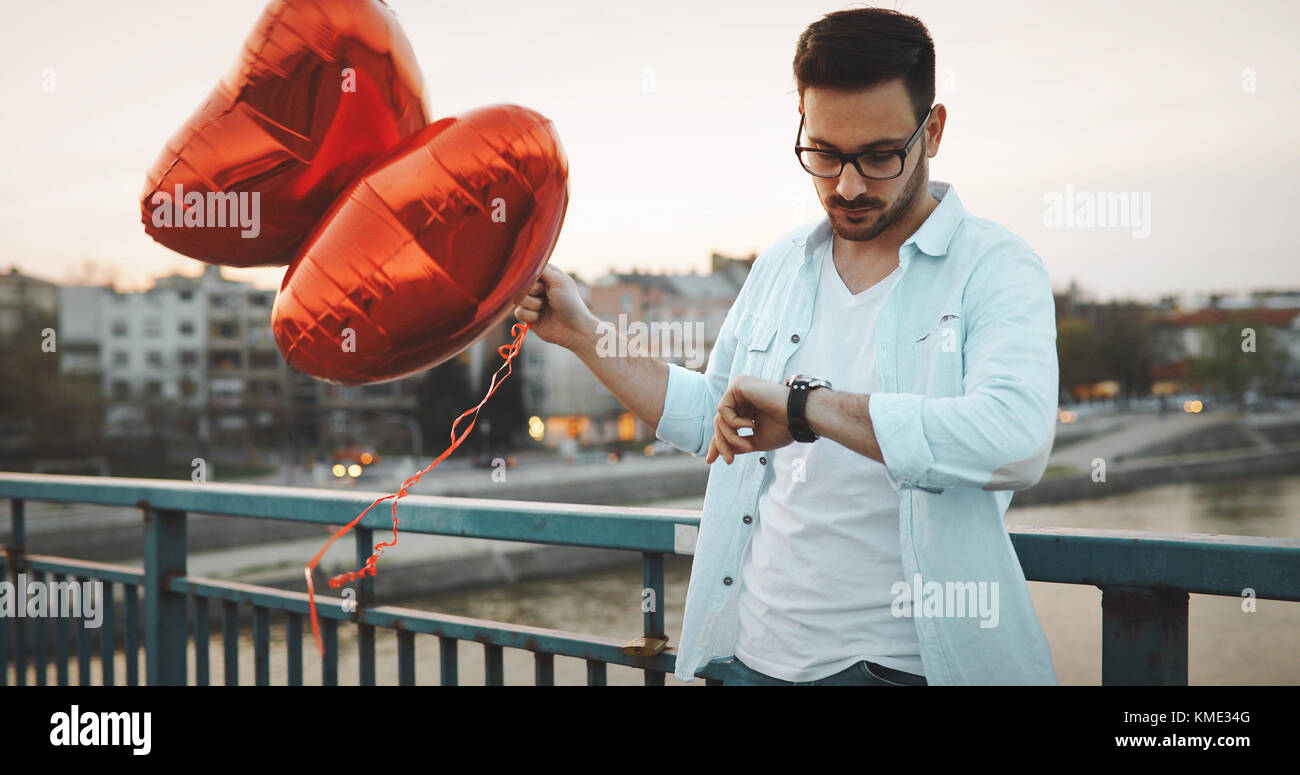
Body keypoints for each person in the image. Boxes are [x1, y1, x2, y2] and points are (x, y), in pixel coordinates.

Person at [514, 7, 1059, 686]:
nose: (849, 186)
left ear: (935, 130)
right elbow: (713, 414)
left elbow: (1014, 439)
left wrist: (805, 408)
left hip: (900, 668)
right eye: (824, 154)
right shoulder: (780, 266)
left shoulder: (996, 267)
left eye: (880, 155)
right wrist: (584, 333)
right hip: (747, 656)